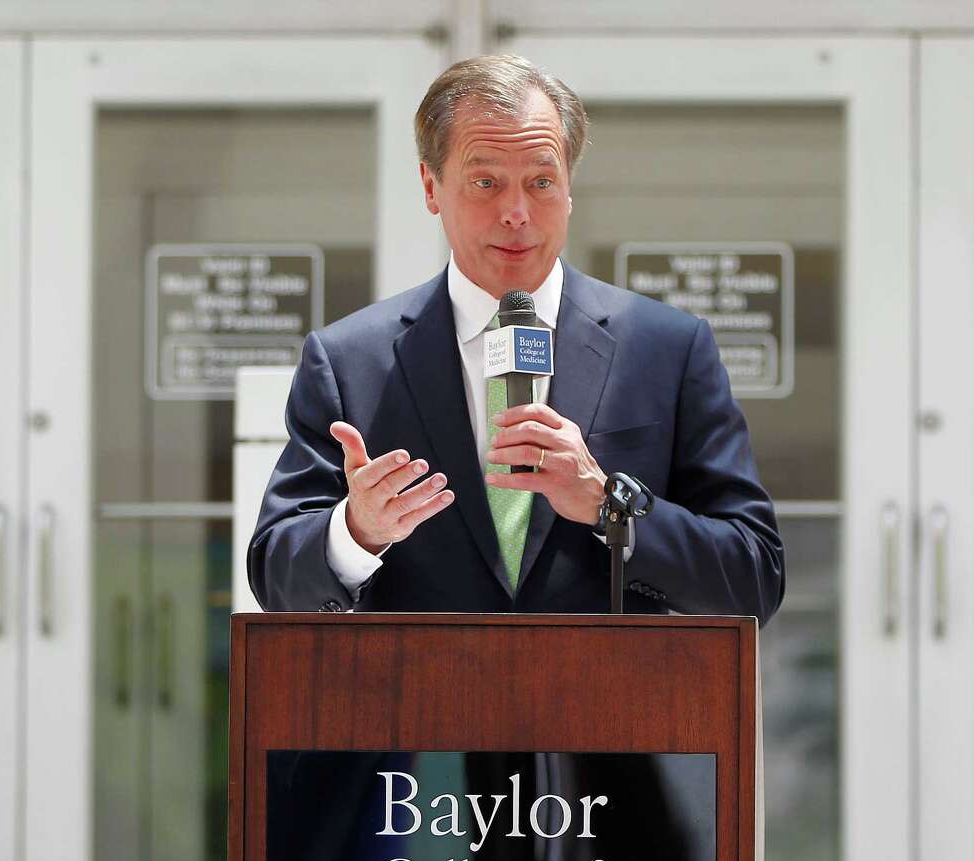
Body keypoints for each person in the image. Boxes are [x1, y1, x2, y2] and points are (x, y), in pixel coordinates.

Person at [249, 54, 784, 623]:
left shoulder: (667, 350)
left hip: (617, 705)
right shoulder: (350, 361)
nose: (516, 212)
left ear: (570, 188)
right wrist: (357, 531)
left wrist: (610, 507)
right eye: (486, 182)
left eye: (541, 181)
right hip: (419, 705)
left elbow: (753, 577)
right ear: (431, 186)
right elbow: (277, 581)